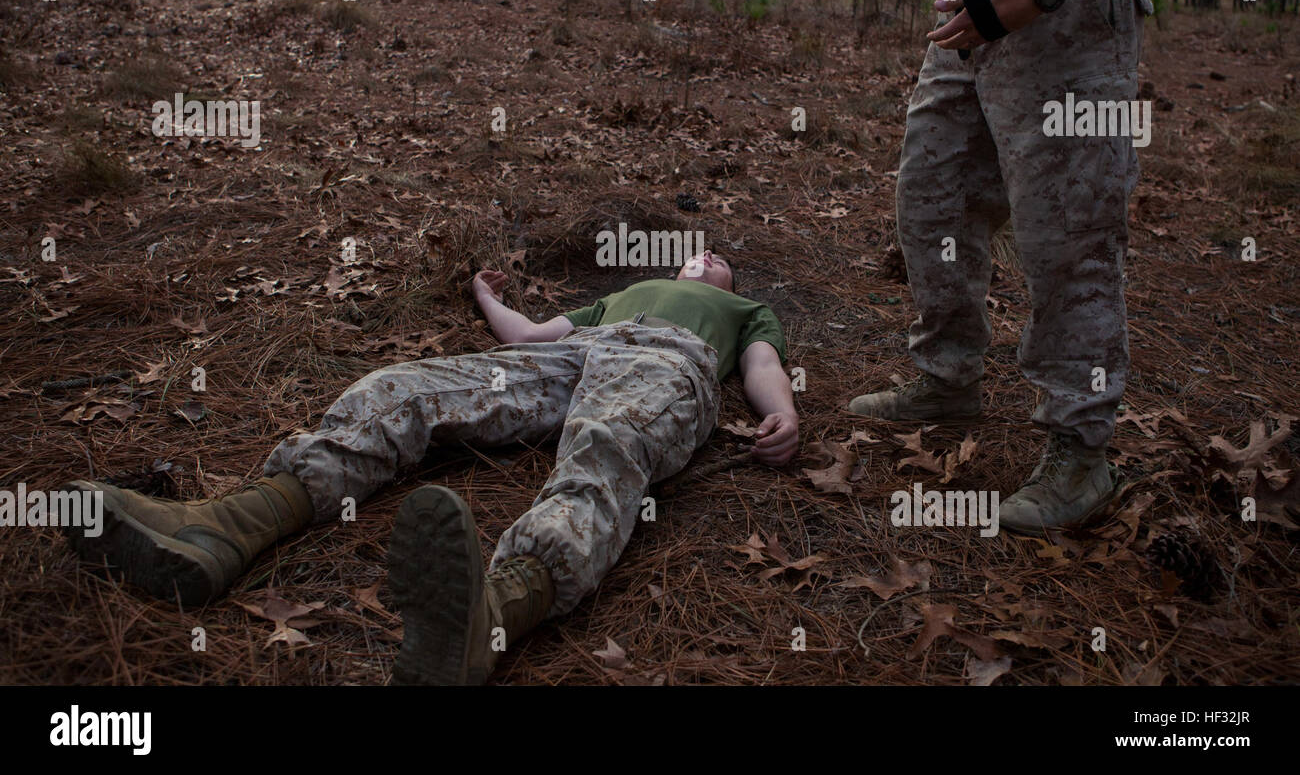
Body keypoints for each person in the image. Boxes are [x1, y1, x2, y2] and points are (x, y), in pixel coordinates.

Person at [63, 250, 798, 684]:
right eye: (697, 256)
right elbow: (532, 336)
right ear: (673, 264)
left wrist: (782, 411)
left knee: (608, 444)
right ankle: (229, 523)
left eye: (719, 261)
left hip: (670, 367)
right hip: (571, 356)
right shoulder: (624, 295)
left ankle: (495, 613)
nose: (706, 260)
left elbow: (762, 364)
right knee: (409, 388)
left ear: (728, 283)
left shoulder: (742, 312)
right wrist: (486, 296)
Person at [848, 0, 1172, 533]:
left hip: (1069, 5)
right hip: (975, 0)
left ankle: (1080, 450)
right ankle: (947, 377)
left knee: (1068, 234)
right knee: (933, 199)